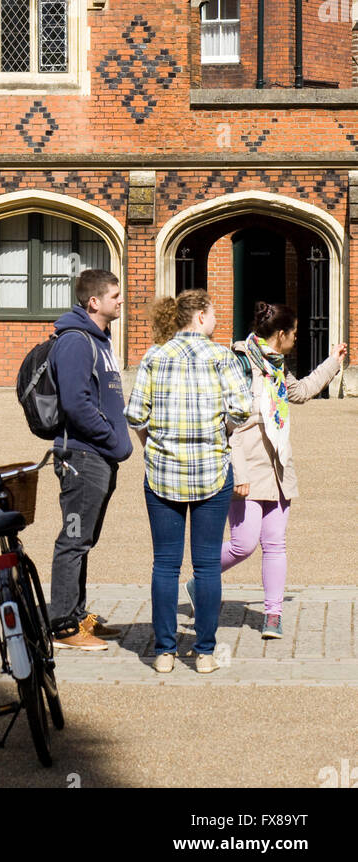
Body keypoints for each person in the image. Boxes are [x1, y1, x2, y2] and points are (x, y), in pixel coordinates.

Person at [124, 289, 252, 674]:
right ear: (199, 316)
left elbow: (134, 415)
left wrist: (153, 446)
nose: (215, 320)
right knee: (207, 565)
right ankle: (205, 652)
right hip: (212, 469)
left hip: (163, 470)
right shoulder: (221, 356)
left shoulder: (154, 355)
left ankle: (164, 652)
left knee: (165, 564)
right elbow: (242, 409)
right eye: (213, 314)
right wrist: (221, 430)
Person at [213, 301, 346, 641]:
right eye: (295, 334)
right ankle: (202, 578)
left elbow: (300, 392)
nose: (296, 339)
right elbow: (230, 426)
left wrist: (334, 362)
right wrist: (238, 473)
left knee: (275, 543)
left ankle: (273, 615)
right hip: (247, 468)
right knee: (243, 545)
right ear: (281, 334)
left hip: (278, 465)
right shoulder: (240, 363)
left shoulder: (276, 366)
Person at [48, 268, 133, 651]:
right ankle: (64, 626)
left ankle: (78, 613)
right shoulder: (76, 342)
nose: (121, 301)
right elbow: (76, 404)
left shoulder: (101, 339)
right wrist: (112, 438)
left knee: (85, 539)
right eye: (114, 296)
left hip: (100, 457)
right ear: (93, 302)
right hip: (82, 456)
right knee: (73, 538)